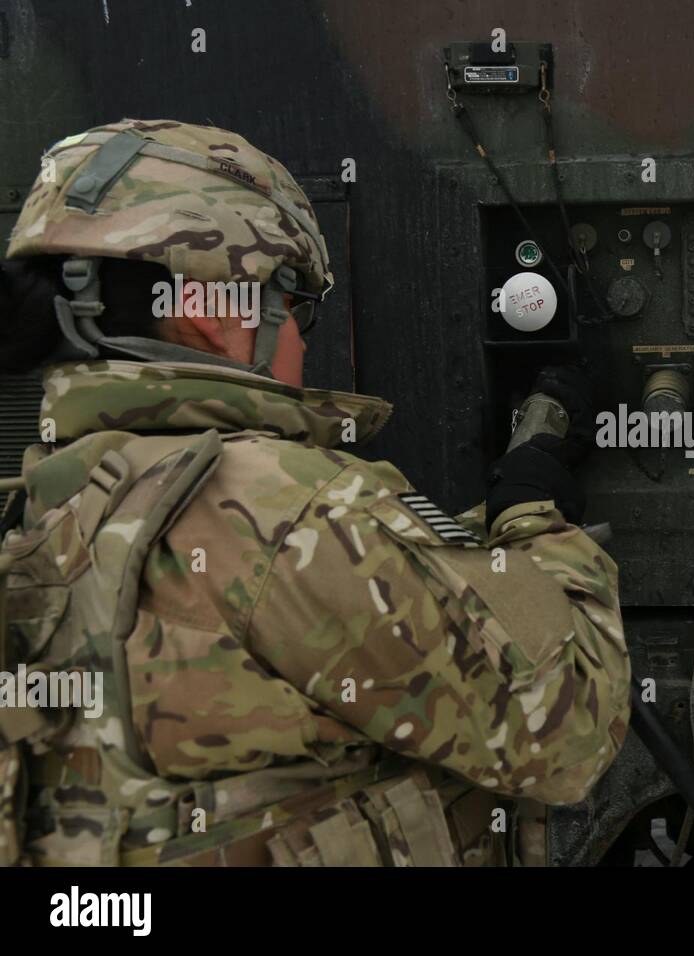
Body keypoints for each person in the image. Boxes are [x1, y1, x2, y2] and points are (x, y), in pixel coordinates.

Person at [0, 119, 629, 867]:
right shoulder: (284, 508)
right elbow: (571, 723)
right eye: (294, 301)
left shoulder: (49, 504)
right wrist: (534, 517)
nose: (301, 338)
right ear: (212, 305)